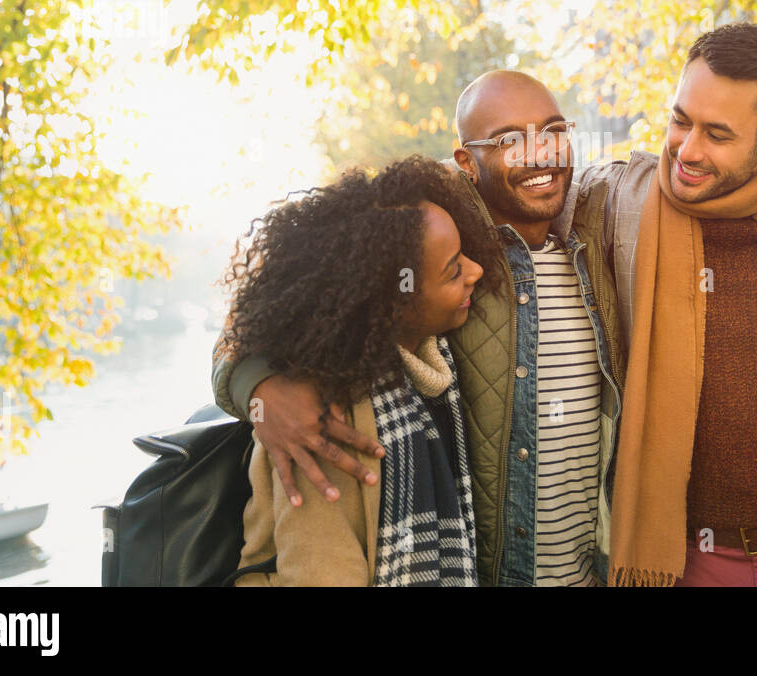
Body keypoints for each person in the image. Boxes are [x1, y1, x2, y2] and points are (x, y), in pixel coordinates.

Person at [213, 72, 624, 586]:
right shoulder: (434, 227)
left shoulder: (601, 224)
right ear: (466, 163)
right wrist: (262, 387)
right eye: (508, 141)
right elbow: (276, 307)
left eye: (553, 130)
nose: (538, 153)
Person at [577, 22, 757, 586]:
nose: (688, 149)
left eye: (718, 134)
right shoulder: (613, 204)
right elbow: (470, 208)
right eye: (681, 120)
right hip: (689, 561)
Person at [222, 156, 498, 585]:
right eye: (454, 270)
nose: (476, 272)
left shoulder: (432, 364)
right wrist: (253, 384)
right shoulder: (321, 416)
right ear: (396, 302)